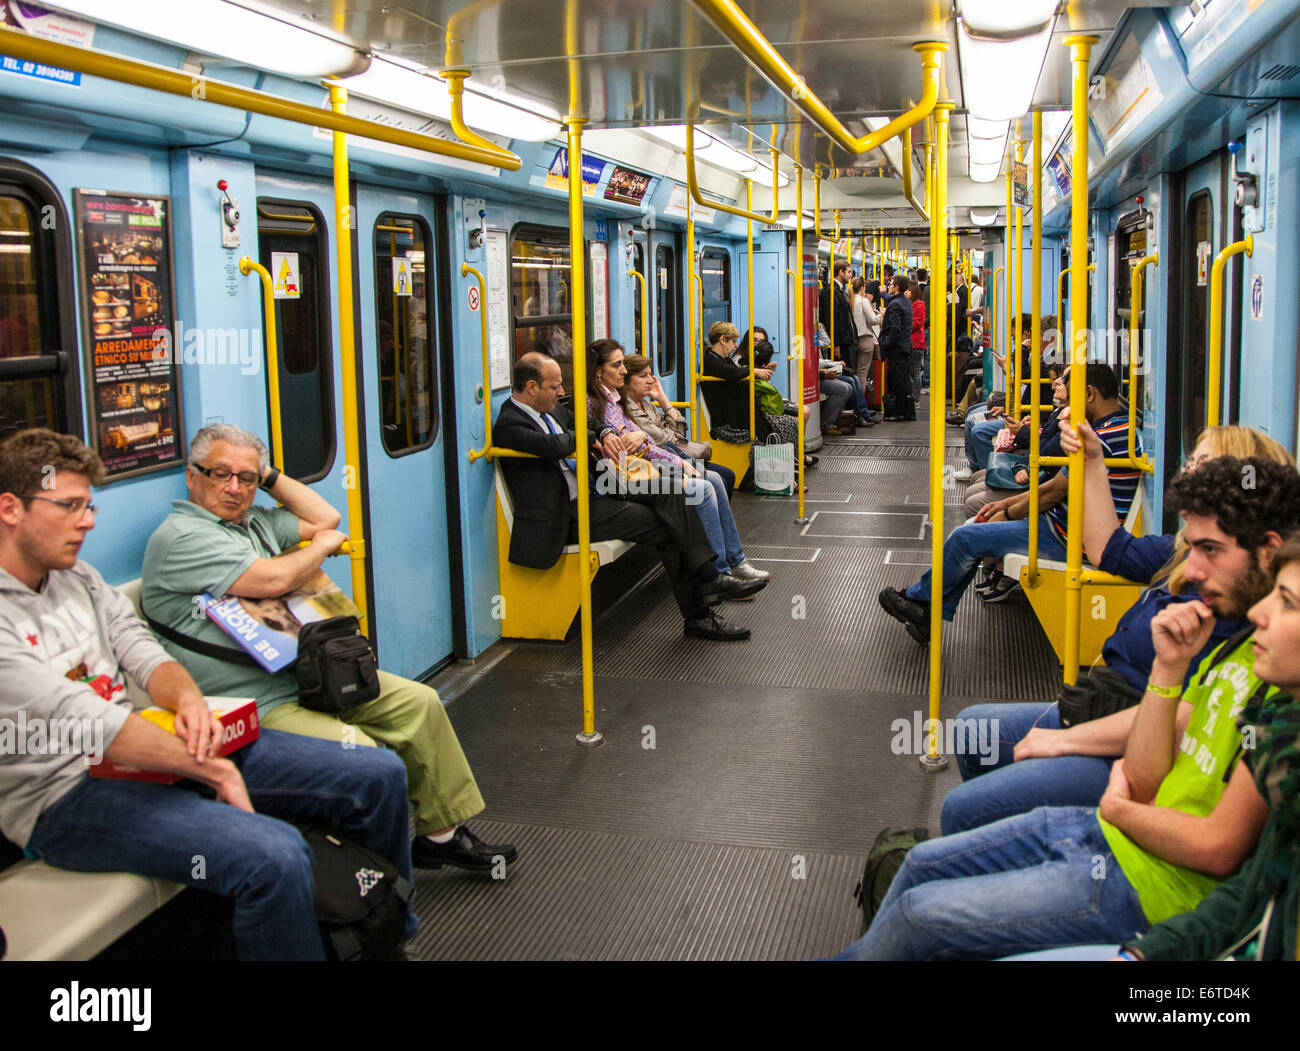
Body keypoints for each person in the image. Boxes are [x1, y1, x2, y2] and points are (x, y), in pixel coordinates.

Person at [836, 458, 1300, 960]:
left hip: (1139, 873)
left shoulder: (1273, 689)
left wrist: (1111, 797)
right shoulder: (1230, 640)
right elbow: (1147, 779)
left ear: (1269, 552)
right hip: (1109, 827)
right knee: (921, 865)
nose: (1191, 568)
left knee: (918, 912)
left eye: (1209, 550)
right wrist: (1168, 669)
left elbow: (1217, 847)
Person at [0, 429, 414, 960]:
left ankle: (385, 936)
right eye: (70, 506)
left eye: (89, 506)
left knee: (380, 775)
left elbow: (138, 647)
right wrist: (213, 769)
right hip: (68, 797)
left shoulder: (76, 576)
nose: (87, 521)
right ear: (11, 509)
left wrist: (190, 702)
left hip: (149, 751)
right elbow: (83, 719)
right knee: (275, 855)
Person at [142, 423, 517, 873]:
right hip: (253, 701)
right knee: (362, 754)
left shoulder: (254, 524)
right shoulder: (183, 536)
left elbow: (326, 518)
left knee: (420, 704)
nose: (233, 488)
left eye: (246, 478)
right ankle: (377, 884)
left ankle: (441, 835)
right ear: (191, 475)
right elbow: (276, 578)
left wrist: (271, 477)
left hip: (306, 679)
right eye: (220, 474)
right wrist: (319, 549)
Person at [943, 431, 1299, 836]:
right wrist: (1094, 460)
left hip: (1131, 728)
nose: (1189, 474)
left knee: (964, 809)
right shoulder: (1185, 554)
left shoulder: (1236, 596)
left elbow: (1184, 717)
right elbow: (1110, 550)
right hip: (1099, 701)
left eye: (1203, 466)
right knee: (972, 731)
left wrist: (1068, 739)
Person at [494, 352, 760, 640]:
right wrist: (587, 435)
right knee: (668, 527)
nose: (561, 392)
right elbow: (554, 444)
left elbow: (587, 424)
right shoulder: (510, 424)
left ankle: (710, 585)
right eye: (554, 387)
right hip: (567, 513)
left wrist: (605, 431)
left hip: (600, 489)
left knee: (673, 493)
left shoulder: (554, 409)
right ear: (531, 388)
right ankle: (704, 599)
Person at [880, 363, 1138, 641]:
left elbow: (1054, 493)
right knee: (972, 530)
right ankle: (926, 608)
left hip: (1070, 539)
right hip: (1065, 525)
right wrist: (1003, 506)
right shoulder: (1117, 427)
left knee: (966, 537)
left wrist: (1009, 512)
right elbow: (1055, 487)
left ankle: (922, 602)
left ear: (1089, 393)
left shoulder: (1100, 439)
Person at [588, 340, 768, 585]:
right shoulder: (600, 405)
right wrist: (673, 457)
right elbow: (644, 443)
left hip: (644, 465)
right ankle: (718, 573)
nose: (622, 371)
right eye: (617, 365)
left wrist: (669, 452)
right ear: (599, 371)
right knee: (704, 487)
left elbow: (655, 439)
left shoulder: (615, 401)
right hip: (624, 477)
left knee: (714, 479)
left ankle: (735, 561)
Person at [620, 353, 734, 497]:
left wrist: (663, 400)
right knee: (719, 480)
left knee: (728, 475)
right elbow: (664, 439)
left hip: (674, 454)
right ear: (627, 382)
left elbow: (679, 434)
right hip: (657, 461)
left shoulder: (645, 403)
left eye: (650, 375)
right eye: (643, 376)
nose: (650, 380)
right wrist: (667, 429)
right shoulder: (627, 409)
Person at [701, 321, 802, 448]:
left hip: (737, 417)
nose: (735, 345)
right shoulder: (711, 361)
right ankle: (785, 459)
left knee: (786, 422)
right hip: (728, 424)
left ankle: (791, 458)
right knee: (787, 423)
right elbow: (732, 373)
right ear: (722, 339)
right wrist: (753, 371)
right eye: (733, 341)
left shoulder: (721, 359)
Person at [879, 274, 914, 422]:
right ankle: (903, 410)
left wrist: (886, 343)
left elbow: (895, 328)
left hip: (896, 348)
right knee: (901, 379)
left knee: (897, 381)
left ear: (897, 287)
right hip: (905, 346)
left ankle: (898, 411)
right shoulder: (905, 302)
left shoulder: (895, 305)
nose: (889, 286)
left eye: (891, 284)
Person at [850, 277, 881, 421]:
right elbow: (872, 320)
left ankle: (854, 408)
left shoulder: (849, 300)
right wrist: (882, 314)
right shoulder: (863, 302)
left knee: (854, 375)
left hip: (853, 342)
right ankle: (861, 409)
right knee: (862, 375)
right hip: (866, 340)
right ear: (862, 287)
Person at [818, 261, 858, 373]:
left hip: (845, 342)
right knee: (845, 373)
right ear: (840, 272)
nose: (851, 275)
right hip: (840, 344)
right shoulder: (830, 292)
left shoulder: (839, 291)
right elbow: (833, 320)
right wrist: (836, 345)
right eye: (849, 272)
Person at [906, 281, 927, 407]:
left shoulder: (919, 305)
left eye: (908, 291)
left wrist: (905, 324)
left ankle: (915, 399)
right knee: (912, 371)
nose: (906, 292)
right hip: (913, 341)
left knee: (915, 371)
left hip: (916, 342)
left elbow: (918, 323)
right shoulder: (912, 304)